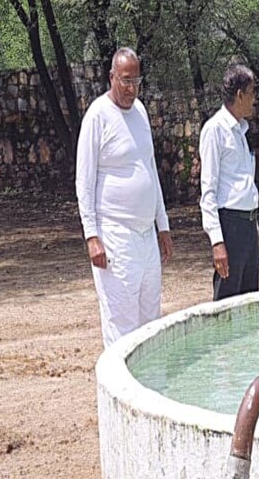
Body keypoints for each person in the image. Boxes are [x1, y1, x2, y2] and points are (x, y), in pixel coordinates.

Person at [76, 47, 174, 348]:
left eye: (136, 81)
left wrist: (163, 224)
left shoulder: (141, 112)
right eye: (125, 81)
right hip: (115, 234)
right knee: (123, 324)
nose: (131, 88)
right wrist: (92, 236)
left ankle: (149, 389)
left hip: (146, 236)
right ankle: (120, 393)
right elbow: (84, 180)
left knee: (150, 320)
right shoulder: (98, 115)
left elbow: (150, 170)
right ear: (112, 78)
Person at [199, 64, 259, 300]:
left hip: (247, 225)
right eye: (252, 92)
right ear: (240, 95)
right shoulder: (215, 130)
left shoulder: (241, 131)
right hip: (230, 225)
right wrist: (217, 241)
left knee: (250, 301)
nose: (254, 99)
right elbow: (209, 191)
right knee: (227, 301)